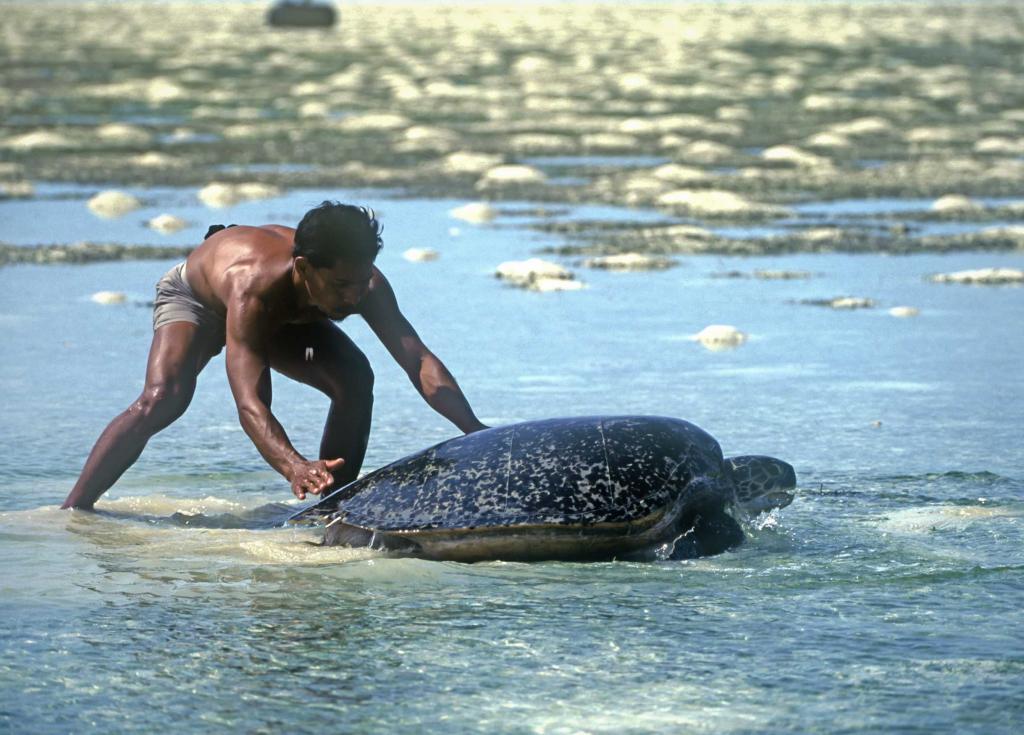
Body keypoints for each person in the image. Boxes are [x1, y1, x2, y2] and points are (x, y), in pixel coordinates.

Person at [62, 201, 487, 510]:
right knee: (164, 397)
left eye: (359, 282)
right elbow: (250, 402)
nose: (353, 296)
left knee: (355, 379)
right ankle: (74, 509)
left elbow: (417, 360)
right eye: (340, 285)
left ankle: (332, 509)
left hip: (289, 315)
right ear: (303, 268)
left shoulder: (364, 283)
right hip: (200, 299)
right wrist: (294, 466)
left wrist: (476, 432)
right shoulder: (254, 287)